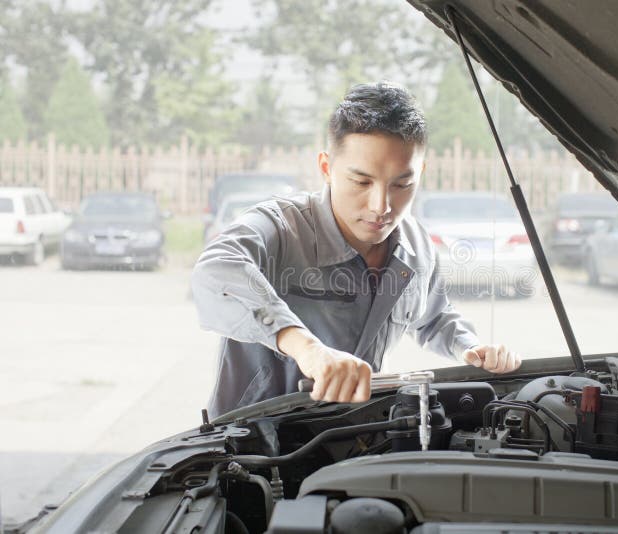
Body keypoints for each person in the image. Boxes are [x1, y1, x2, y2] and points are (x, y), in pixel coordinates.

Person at [192, 82, 521, 418]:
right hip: (251, 447)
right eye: (362, 182)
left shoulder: (416, 246)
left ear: (419, 173)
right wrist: (307, 349)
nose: (382, 206)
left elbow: (433, 317)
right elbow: (216, 272)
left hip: (352, 437)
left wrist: (470, 347)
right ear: (326, 168)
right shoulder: (280, 227)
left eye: (401, 184)